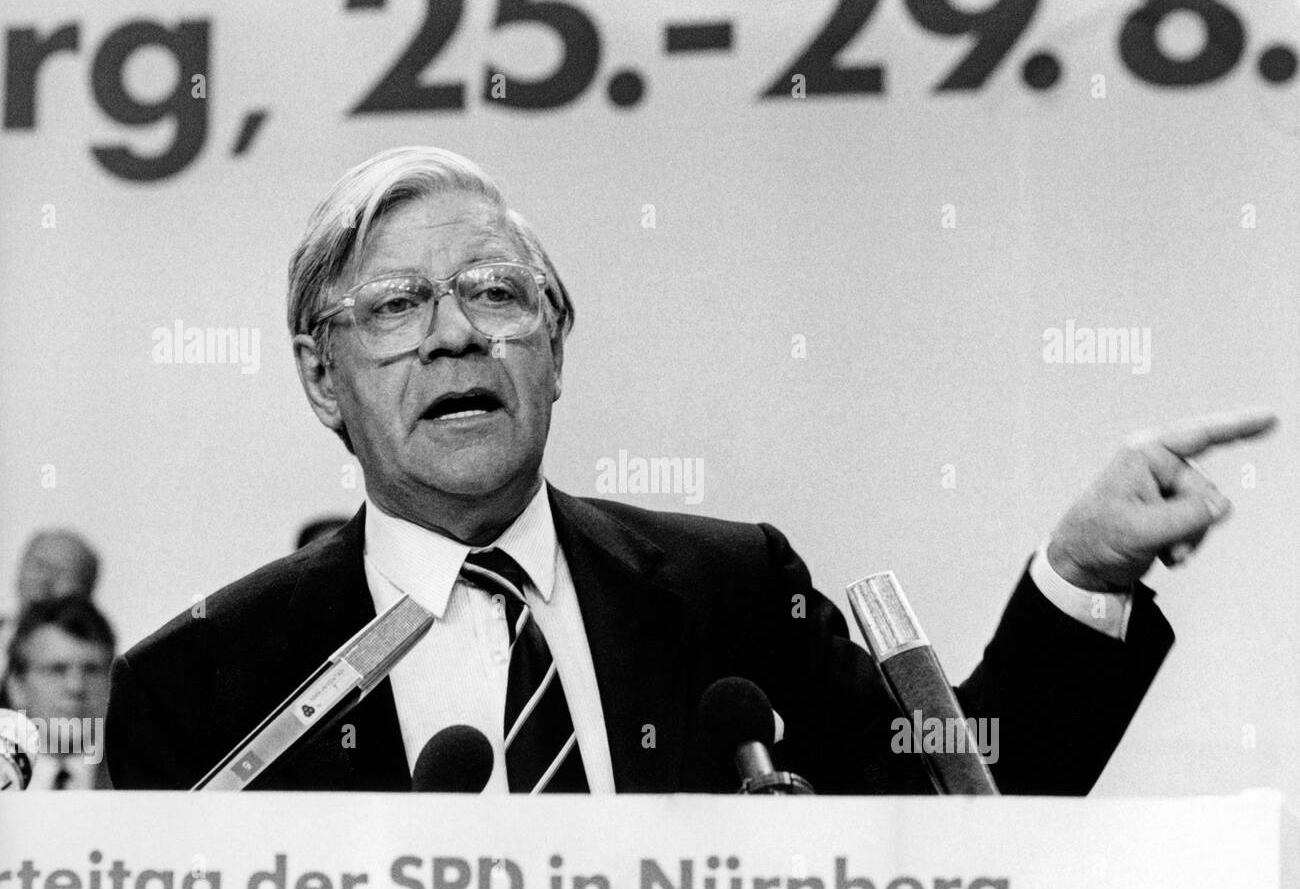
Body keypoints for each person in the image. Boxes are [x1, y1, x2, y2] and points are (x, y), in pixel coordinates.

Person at [105, 146, 1276, 794]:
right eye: (398, 306)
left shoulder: (732, 589)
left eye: (496, 293)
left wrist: (1078, 575)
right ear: (322, 380)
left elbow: (965, 812)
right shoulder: (202, 682)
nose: (456, 334)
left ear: (558, 346)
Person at [5, 596, 115, 790]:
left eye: (91, 670)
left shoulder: (145, 780)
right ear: (17, 687)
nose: (76, 687)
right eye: (57, 670)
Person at [0, 529, 100, 691]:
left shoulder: (97, 667)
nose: (45, 579)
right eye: (39, 565)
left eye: (62, 572)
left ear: (88, 587)